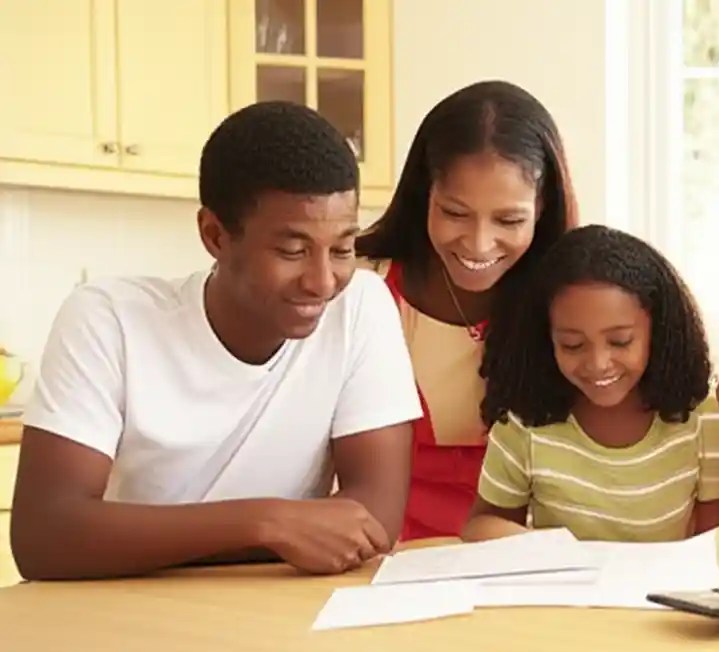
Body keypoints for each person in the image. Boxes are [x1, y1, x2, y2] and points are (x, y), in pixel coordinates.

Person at [11, 101, 422, 580]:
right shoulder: (109, 320)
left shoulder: (360, 308)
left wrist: (146, 541)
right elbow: (44, 536)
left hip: (277, 610)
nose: (323, 281)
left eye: (343, 249)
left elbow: (374, 520)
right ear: (214, 235)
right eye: (292, 251)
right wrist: (267, 523)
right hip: (128, 609)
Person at [357, 80, 579, 540]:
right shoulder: (359, 288)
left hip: (532, 562)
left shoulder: (575, 297)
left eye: (509, 220)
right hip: (383, 561)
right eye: (455, 213)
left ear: (543, 208)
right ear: (425, 195)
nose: (479, 244)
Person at [461, 225, 719, 542]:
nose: (597, 364)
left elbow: (716, 548)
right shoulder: (524, 422)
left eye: (620, 342)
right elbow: (482, 525)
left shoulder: (706, 416)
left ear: (658, 332)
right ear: (545, 339)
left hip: (662, 591)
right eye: (572, 345)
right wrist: (549, 551)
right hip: (560, 590)